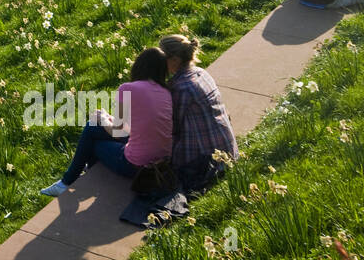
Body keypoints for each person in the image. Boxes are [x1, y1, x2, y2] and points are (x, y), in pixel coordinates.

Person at [41, 48, 173, 196]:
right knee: (96, 127)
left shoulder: (128, 89)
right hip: (163, 159)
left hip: (137, 165)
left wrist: (103, 118)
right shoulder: (166, 92)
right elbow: (136, 126)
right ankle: (75, 180)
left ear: (139, 65)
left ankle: (67, 182)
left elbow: (117, 132)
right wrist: (108, 117)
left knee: (93, 138)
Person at [159, 34, 237, 194]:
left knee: (104, 143)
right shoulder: (200, 73)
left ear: (174, 59)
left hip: (202, 163)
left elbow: (171, 128)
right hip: (226, 151)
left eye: (162, 56)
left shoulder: (181, 88)